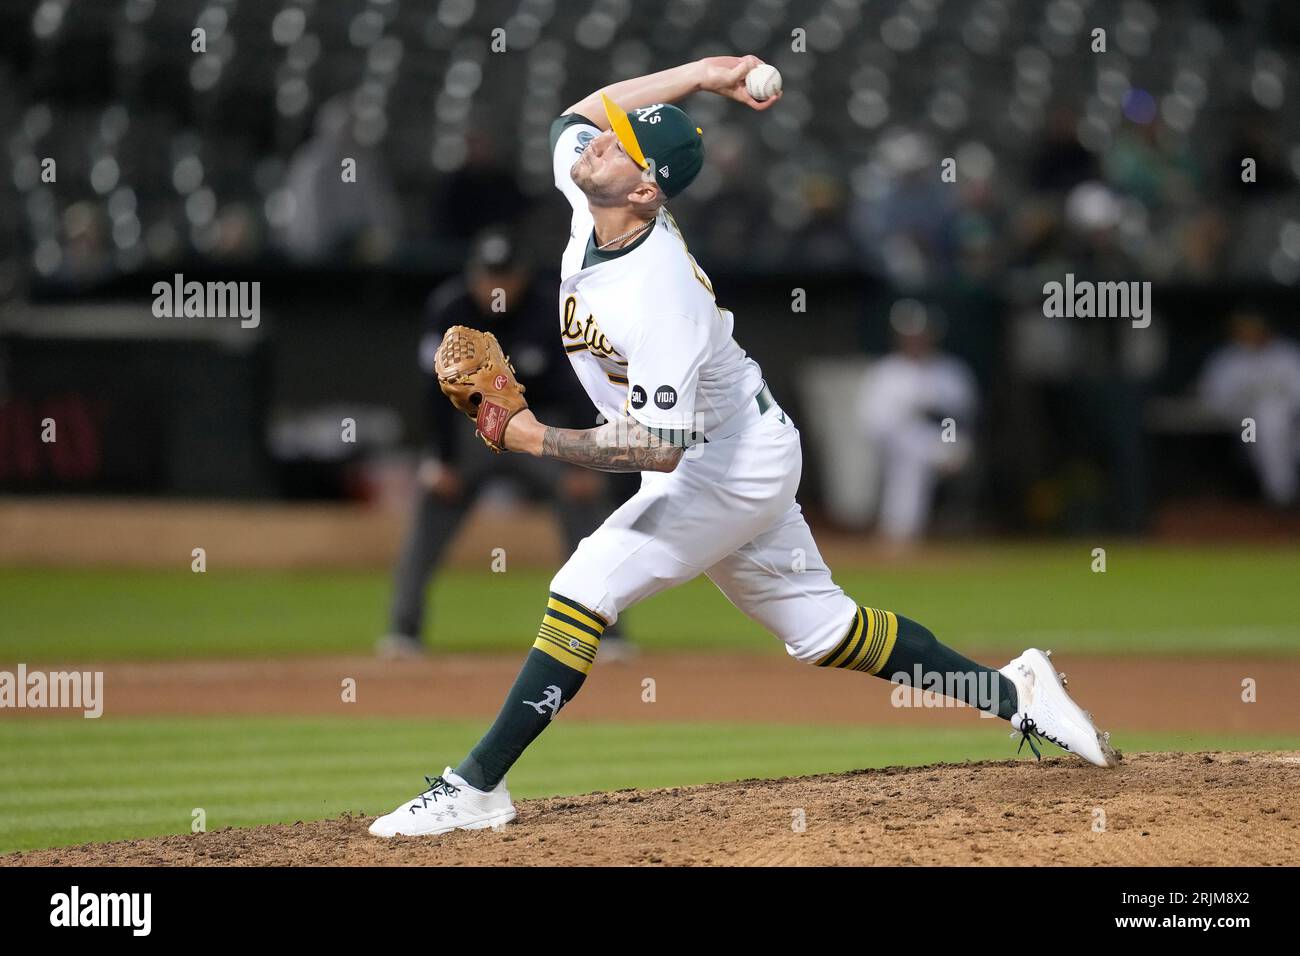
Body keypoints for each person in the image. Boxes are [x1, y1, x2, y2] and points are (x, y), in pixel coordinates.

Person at [369, 55, 1117, 839]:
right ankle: (1017, 693)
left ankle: (478, 786)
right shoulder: (596, 191)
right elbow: (580, 112)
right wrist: (702, 74)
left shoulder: (659, 293)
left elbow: (656, 450)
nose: (595, 143)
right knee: (825, 630)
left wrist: (531, 436)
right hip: (739, 441)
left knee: (585, 585)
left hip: (722, 461)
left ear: (646, 190)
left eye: (616, 145)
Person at [378, 228, 634, 659]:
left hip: (541, 427)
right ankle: (404, 630)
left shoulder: (551, 308)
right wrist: (440, 459)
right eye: (487, 275)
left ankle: (608, 633)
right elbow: (433, 390)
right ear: (473, 274)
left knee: (586, 511)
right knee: (431, 508)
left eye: (505, 275)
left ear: (523, 276)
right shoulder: (450, 308)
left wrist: (585, 464)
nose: (495, 286)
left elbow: (580, 385)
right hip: (471, 429)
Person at [858, 301, 979, 541]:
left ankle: (918, 532)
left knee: (941, 451)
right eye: (910, 335)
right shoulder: (885, 372)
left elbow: (965, 417)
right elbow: (872, 422)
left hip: (946, 443)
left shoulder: (951, 371)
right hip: (899, 445)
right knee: (909, 458)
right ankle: (900, 535)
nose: (916, 340)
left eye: (921, 335)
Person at [1198, 310, 1300, 506]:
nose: (1249, 333)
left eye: (1253, 328)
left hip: (1292, 421)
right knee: (1268, 420)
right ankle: (1282, 498)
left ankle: (1283, 497)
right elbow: (1213, 399)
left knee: (1277, 424)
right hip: (1245, 425)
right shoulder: (1227, 359)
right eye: (1243, 328)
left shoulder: (1287, 354)